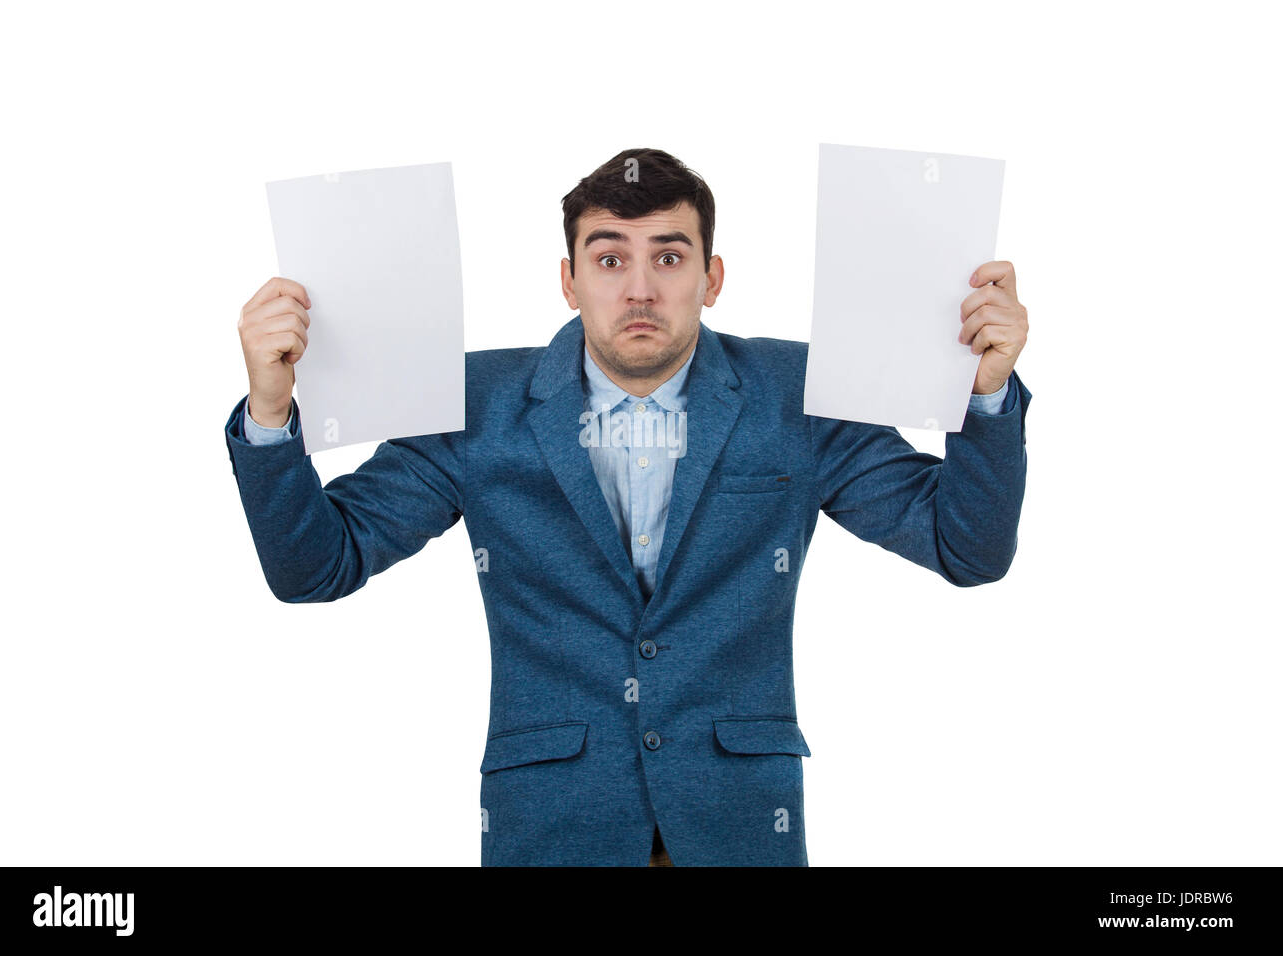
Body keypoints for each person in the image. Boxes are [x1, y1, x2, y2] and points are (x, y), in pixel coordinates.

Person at [224, 147, 1032, 866]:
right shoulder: (474, 404)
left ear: (712, 277)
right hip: (553, 825)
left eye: (670, 257)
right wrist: (269, 410)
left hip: (739, 825)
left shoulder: (798, 397)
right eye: (609, 260)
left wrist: (986, 391)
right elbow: (315, 567)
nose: (640, 289)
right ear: (568, 279)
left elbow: (964, 548)